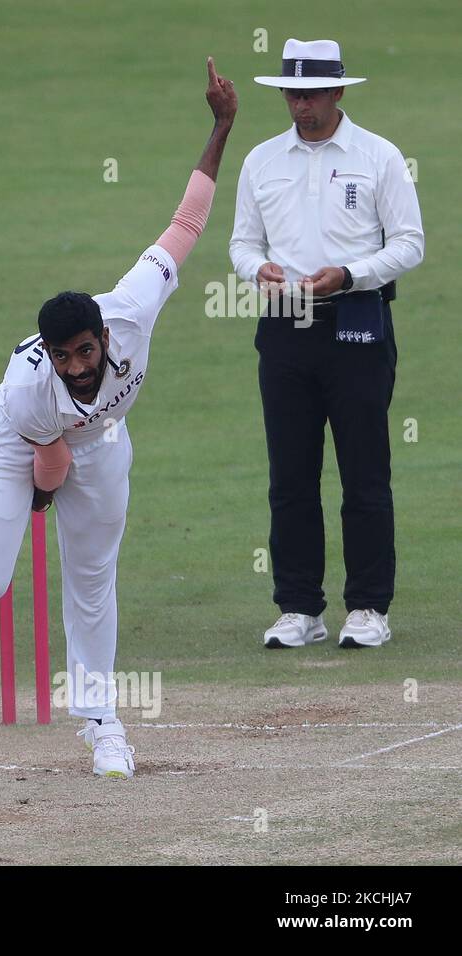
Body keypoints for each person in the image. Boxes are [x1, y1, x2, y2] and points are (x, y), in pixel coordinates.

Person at [0, 59, 237, 779]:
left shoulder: (132, 306)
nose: (76, 364)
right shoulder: (30, 390)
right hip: (25, 444)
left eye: (84, 351)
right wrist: (42, 492)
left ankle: (102, 723)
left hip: (101, 443)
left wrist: (222, 125)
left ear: (103, 335)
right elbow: (49, 469)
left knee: (92, 574)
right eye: (63, 356)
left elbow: (186, 220)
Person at [229, 39, 424, 650]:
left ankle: (368, 607)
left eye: (311, 94)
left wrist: (350, 273)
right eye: (292, 93)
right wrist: (253, 269)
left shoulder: (379, 156)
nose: (300, 105)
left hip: (356, 323)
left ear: (338, 92)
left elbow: (410, 243)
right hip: (285, 327)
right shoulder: (262, 161)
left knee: (364, 470)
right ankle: (299, 608)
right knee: (290, 473)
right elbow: (241, 243)